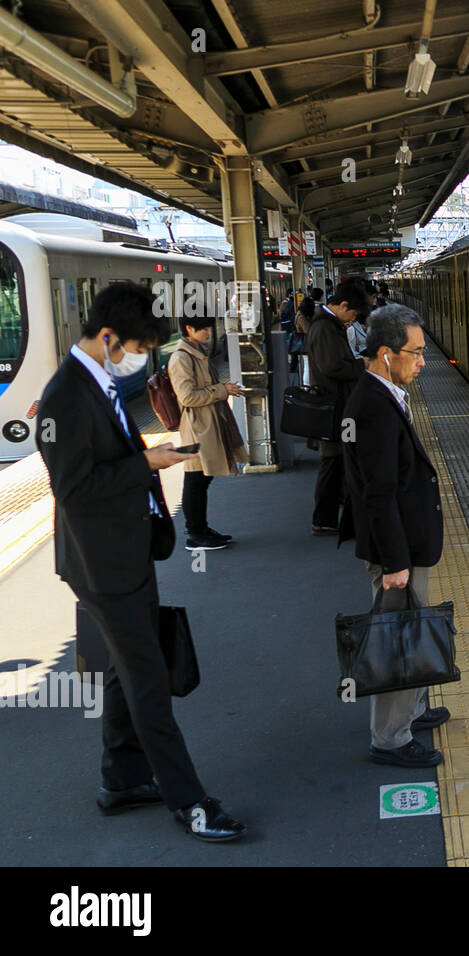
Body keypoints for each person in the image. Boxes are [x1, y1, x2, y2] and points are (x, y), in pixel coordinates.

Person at [35, 282, 247, 842]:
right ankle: (190, 801)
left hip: (124, 553)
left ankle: (122, 779)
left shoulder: (97, 382)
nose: (141, 357)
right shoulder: (64, 397)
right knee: (149, 680)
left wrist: (149, 463)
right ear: (108, 337)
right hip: (103, 565)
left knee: (123, 674)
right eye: (137, 346)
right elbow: (74, 487)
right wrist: (148, 462)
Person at [339, 305, 449, 767]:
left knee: (412, 628)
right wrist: (396, 562)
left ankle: (414, 710)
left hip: (406, 543)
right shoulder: (373, 408)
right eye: (416, 353)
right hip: (397, 550)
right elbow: (378, 495)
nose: (423, 361)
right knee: (397, 637)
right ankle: (390, 737)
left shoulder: (380, 394)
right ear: (385, 354)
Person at [168, 314, 249, 551]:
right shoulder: (181, 358)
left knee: (202, 478)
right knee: (196, 478)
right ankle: (195, 533)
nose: (208, 333)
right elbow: (187, 397)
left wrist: (221, 390)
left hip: (208, 422)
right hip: (197, 426)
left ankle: (201, 528)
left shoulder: (196, 351)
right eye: (203, 329)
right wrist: (221, 390)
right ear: (189, 329)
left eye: (209, 329)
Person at [305, 280, 368, 534]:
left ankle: (334, 518)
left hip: (337, 405)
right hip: (334, 406)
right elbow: (332, 366)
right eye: (351, 315)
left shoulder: (328, 325)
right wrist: (362, 364)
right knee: (333, 461)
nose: (351, 321)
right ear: (342, 305)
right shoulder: (324, 328)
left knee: (339, 461)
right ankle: (323, 519)